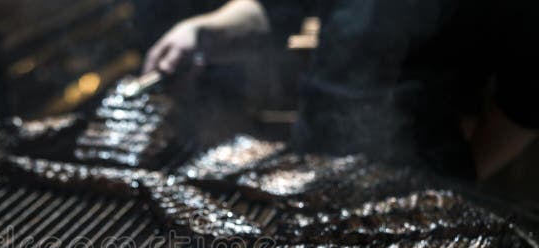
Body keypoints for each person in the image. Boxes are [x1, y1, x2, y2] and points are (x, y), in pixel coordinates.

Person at [143, 0, 539, 179]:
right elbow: (271, 9)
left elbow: (525, 101)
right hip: (312, 162)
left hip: (425, 168)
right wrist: (204, 30)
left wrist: (461, 180)